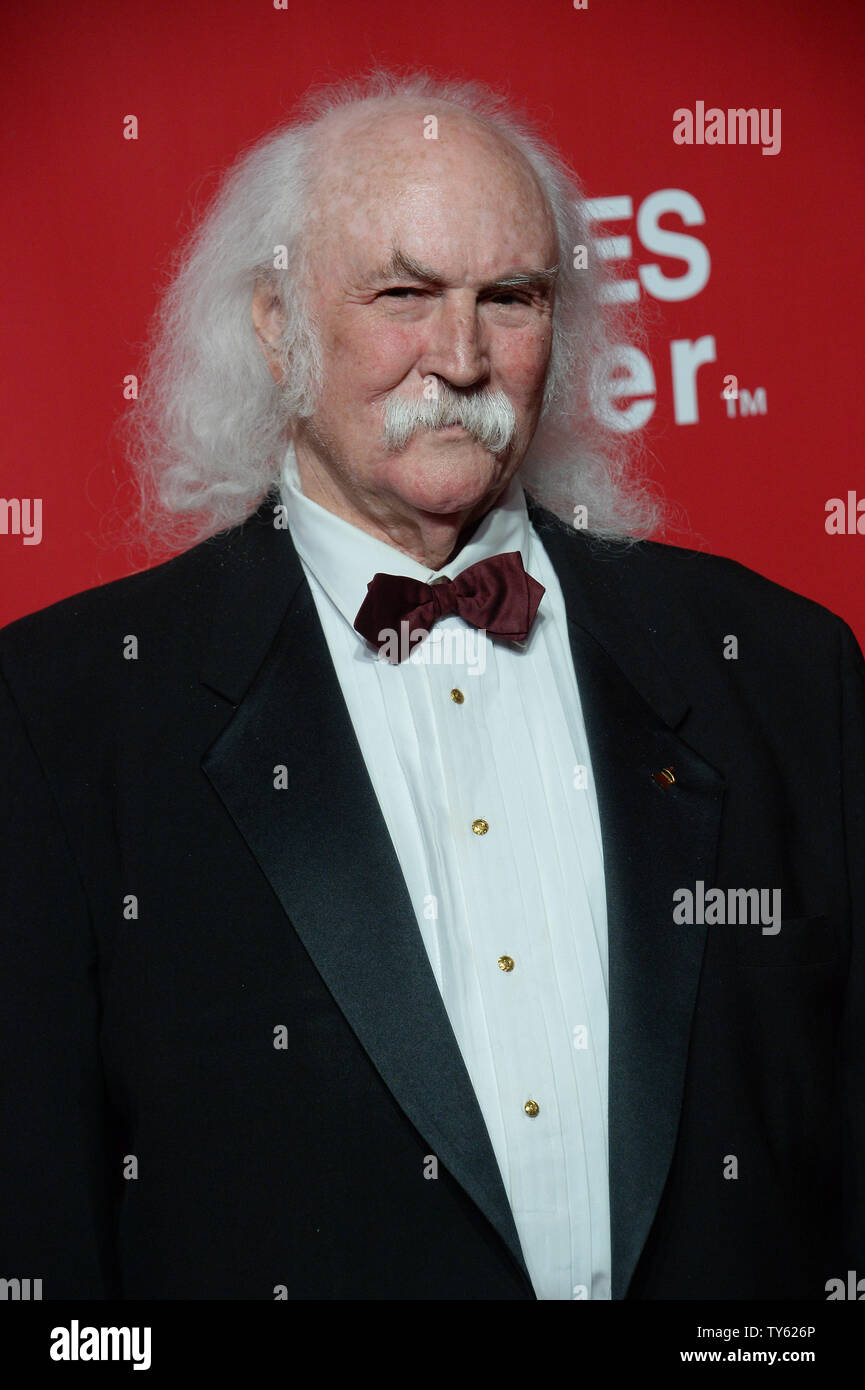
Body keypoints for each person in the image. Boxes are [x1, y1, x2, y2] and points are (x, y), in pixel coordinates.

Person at [1, 70, 862, 1301]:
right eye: (401, 294)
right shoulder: (62, 713)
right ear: (275, 324)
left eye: (506, 297)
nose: (458, 359)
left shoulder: (783, 671)